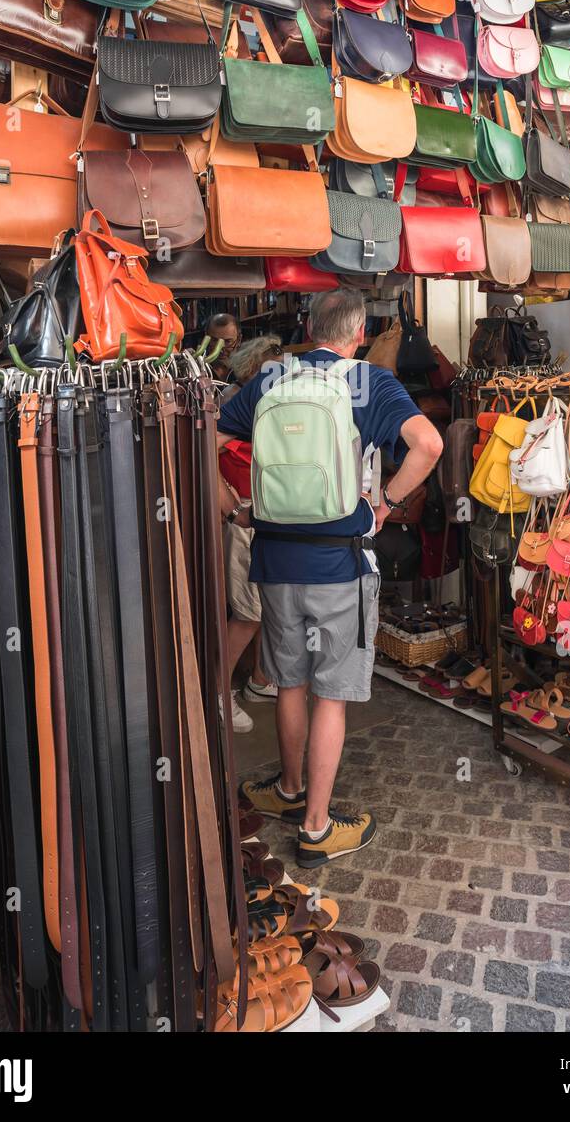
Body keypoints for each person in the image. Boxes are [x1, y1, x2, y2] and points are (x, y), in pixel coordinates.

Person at [216, 289, 443, 867]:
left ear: (310, 326)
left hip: (274, 558)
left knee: (288, 683)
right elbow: (429, 445)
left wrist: (232, 506)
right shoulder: (367, 382)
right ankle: (316, 829)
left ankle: (289, 790)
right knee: (332, 695)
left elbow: (203, 441)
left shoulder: (270, 379)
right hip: (340, 563)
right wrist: (386, 502)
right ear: (359, 331)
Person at [216, 336, 283, 732]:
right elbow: (214, 459)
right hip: (243, 512)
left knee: (264, 607)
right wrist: (235, 511)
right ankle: (218, 694)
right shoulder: (234, 405)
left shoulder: (253, 402)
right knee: (248, 612)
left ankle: (260, 679)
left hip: (261, 511)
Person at [205, 312, 241, 381]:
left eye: (228, 341)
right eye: (215, 340)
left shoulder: (249, 371)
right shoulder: (196, 371)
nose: (220, 350)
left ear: (239, 340)